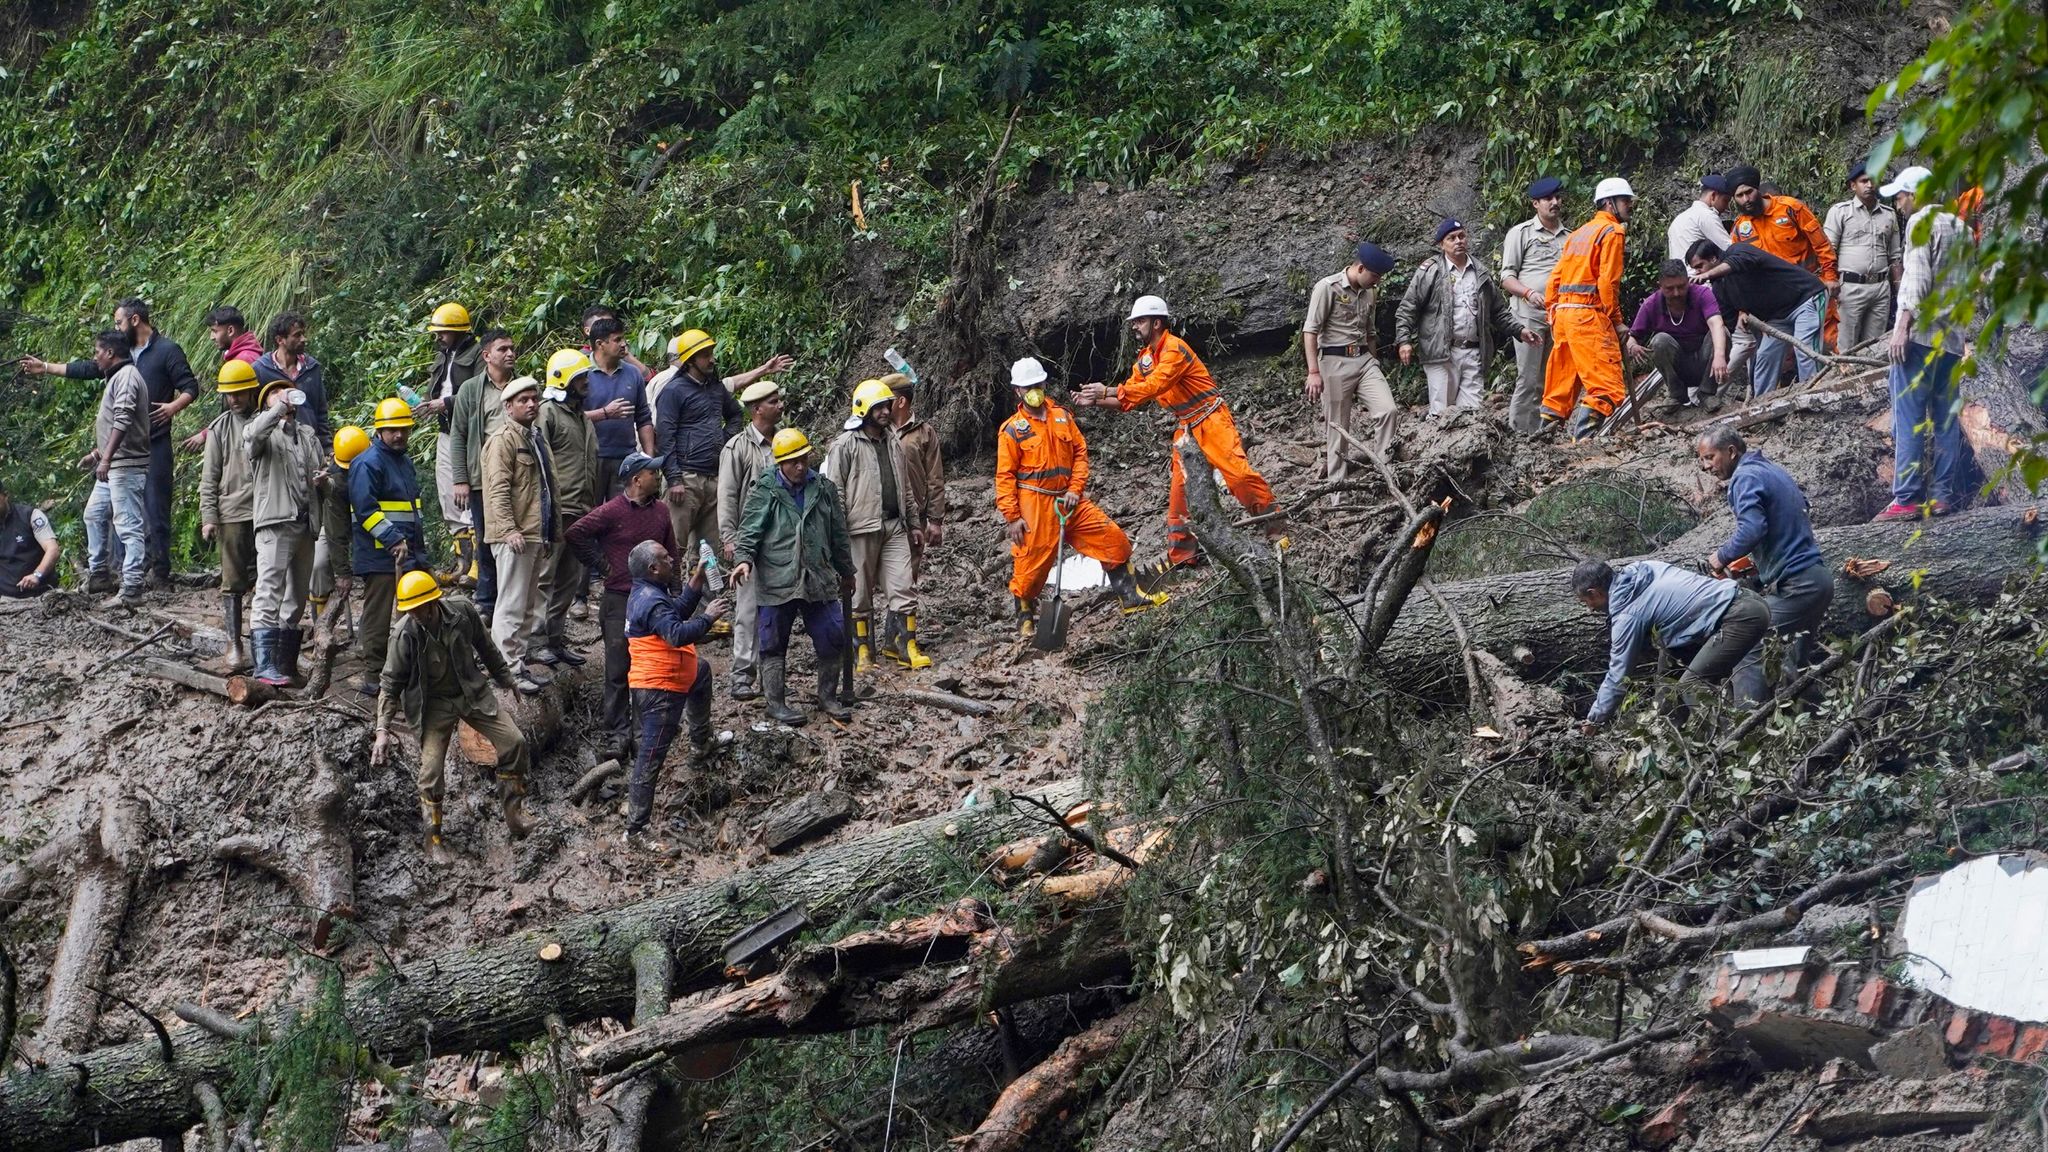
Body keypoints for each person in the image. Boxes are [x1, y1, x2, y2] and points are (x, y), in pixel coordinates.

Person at [1075, 295, 1279, 571]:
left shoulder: (1175, 349)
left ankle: (1275, 526)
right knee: (1179, 494)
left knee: (1239, 476)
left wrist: (1109, 390)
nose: (1135, 326)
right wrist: (1097, 400)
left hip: (1212, 420)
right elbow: (1130, 398)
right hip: (1186, 428)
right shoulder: (1146, 359)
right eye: (1134, 322)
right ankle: (1183, 558)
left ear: (1157, 323)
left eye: (1141, 321)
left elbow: (1156, 386)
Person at [24, 298, 199, 587]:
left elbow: (190, 386)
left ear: (134, 320)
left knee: (155, 508)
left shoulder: (166, 350)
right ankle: (121, 573)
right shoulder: (122, 356)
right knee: (116, 512)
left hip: (153, 441)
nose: (115, 326)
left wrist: (172, 407)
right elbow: (89, 368)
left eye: (118, 321)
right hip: (120, 449)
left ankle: (159, 573)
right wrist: (45, 367)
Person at [369, 570, 533, 864]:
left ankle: (515, 816)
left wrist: (506, 678)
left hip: (471, 692)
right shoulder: (404, 633)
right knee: (430, 772)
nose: (416, 614)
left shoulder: (462, 611)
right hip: (433, 706)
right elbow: (389, 683)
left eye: (420, 608)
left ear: (434, 601)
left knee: (514, 741)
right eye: (410, 610)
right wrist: (382, 729)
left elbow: (486, 646)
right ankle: (433, 839)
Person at [999, 357, 1165, 636]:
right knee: (1029, 569)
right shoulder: (1013, 430)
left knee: (1113, 540)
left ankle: (1131, 597)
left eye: (1037, 385)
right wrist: (1013, 517)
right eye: (1028, 387)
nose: (1034, 391)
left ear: (1044, 384)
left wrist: (1075, 490)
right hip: (1035, 503)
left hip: (1070, 499)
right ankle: (1025, 617)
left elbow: (1080, 454)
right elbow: (1004, 476)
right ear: (1018, 391)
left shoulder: (1063, 416)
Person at [1694, 426, 1831, 707]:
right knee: (1796, 664)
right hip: (1818, 579)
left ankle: (1746, 729)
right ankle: (1818, 723)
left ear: (1731, 451)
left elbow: (1752, 529)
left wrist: (1721, 557)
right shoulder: (1771, 470)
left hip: (1798, 585)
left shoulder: (1744, 477)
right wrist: (1758, 569)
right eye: (1703, 461)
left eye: (1710, 458)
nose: (1707, 467)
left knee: (1749, 642)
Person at [730, 429, 857, 726]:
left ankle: (827, 696)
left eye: (803, 459)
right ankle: (775, 702)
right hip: (777, 576)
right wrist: (744, 560)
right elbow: (749, 531)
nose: (800, 466)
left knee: (833, 634)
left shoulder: (823, 488)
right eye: (793, 462)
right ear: (780, 464)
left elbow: (838, 533)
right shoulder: (764, 490)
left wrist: (846, 569)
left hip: (817, 574)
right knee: (772, 640)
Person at [1572, 557, 1771, 729]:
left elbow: (1618, 675)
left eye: (1586, 602)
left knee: (1691, 684)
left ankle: (1734, 743)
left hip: (1740, 616)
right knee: (1668, 680)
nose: (1589, 609)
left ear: (1595, 592)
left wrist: (1595, 721)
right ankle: (1667, 741)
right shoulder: (1643, 569)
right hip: (1745, 602)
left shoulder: (1627, 615)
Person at [622, 540, 731, 850]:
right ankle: (636, 830)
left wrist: (696, 579)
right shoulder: (650, 601)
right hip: (661, 689)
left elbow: (676, 611)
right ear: (653, 568)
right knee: (650, 757)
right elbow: (676, 632)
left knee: (703, 672)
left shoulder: (650, 593)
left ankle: (701, 744)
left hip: (679, 675)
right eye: (665, 558)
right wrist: (708, 617)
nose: (672, 559)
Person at [566, 453, 676, 759]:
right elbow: (575, 533)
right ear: (637, 479)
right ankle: (616, 735)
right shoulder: (612, 511)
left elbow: (671, 553)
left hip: (653, 602)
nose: (658, 476)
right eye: (652, 472)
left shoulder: (662, 511)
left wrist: (676, 593)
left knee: (649, 669)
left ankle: (645, 733)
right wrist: (602, 565)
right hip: (618, 599)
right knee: (617, 670)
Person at [1876, 166, 1969, 521]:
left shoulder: (1920, 223)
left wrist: (1901, 327)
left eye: (1900, 196)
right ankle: (1944, 494)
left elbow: (1916, 279)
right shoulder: (1960, 226)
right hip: (1952, 338)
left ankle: (1908, 496)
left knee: (1909, 415)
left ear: (1914, 194)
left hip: (1922, 337)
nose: (1899, 204)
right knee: (1945, 419)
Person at [823, 376, 929, 672]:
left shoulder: (893, 440)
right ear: (863, 410)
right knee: (860, 594)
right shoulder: (845, 445)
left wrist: (915, 523)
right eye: (878, 407)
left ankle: (904, 646)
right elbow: (835, 491)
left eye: (886, 406)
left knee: (904, 587)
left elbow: (904, 484)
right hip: (860, 528)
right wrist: (838, 532)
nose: (885, 412)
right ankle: (863, 653)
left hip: (895, 526)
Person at [1396, 218, 1534, 415]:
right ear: (1441, 244)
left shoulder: (1480, 272)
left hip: (1473, 352)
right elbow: (1408, 307)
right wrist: (1403, 340)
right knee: (1441, 413)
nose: (1458, 241)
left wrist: (1519, 330)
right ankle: (1437, 446)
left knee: (1471, 415)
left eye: (1461, 236)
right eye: (1451, 238)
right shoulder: (1431, 271)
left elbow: (1498, 312)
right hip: (1441, 352)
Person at [244, 377, 326, 687]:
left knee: (296, 596)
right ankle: (263, 666)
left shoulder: (307, 436)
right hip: (275, 523)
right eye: (274, 394)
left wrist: (324, 483)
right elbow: (252, 439)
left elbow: (323, 478)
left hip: (305, 524)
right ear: (266, 403)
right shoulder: (259, 432)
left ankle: (285, 665)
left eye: (286, 391)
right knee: (269, 590)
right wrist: (276, 409)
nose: (283, 397)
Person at [1541, 178, 1636, 438]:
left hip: (1564, 316)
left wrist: (1553, 312)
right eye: (1625, 200)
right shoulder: (1612, 232)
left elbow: (1555, 279)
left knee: (1560, 387)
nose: (1630, 205)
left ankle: (1542, 445)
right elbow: (1608, 282)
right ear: (1609, 203)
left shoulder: (1578, 233)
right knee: (1607, 385)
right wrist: (1615, 320)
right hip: (1587, 316)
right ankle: (1584, 445)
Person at [482, 375, 558, 693]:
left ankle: (518, 663)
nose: (531, 404)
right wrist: (509, 528)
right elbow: (497, 489)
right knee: (512, 603)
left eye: (533, 399)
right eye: (523, 400)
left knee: (527, 604)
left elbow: (546, 488)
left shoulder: (535, 437)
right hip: (514, 536)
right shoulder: (504, 440)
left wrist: (550, 532)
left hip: (534, 532)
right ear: (508, 406)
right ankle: (506, 668)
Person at [349, 396, 428, 695]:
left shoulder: (404, 462)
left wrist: (419, 551)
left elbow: (411, 510)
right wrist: (393, 539)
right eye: (392, 430)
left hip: (408, 552)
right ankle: (374, 675)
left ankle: (406, 669)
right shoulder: (367, 463)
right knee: (378, 616)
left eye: (403, 429)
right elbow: (365, 509)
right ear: (379, 431)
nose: (399, 435)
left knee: (413, 612)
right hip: (380, 554)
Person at [1726, 164, 1837, 371]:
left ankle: (1821, 392)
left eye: (1749, 192)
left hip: (1808, 291)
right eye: (1739, 196)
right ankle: (1766, 400)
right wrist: (1743, 308)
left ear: (1757, 189)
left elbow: (1821, 244)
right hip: (1774, 303)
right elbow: (1740, 274)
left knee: (1819, 346)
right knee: (1768, 357)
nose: (1746, 199)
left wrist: (1830, 275)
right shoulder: (1740, 230)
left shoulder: (1791, 208)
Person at [1684, 239, 1827, 397]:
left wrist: (1708, 274)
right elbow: (1724, 326)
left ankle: (1815, 397)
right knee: (1765, 355)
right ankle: (1762, 403)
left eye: (1700, 267)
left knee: (1805, 350)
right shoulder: (1720, 289)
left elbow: (1738, 262)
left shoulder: (1738, 251)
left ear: (1713, 259)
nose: (1698, 273)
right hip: (1777, 317)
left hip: (1805, 298)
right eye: (1695, 270)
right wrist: (1717, 355)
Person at [1302, 241, 1399, 471]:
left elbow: (1370, 331)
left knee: (1388, 410)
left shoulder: (1369, 292)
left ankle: (1384, 472)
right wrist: (1313, 372)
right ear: (1361, 268)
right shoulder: (1327, 287)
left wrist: (1374, 359)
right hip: (1334, 363)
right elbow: (1310, 330)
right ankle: (1338, 496)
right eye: (1375, 275)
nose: (1378, 280)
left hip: (1364, 360)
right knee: (1338, 430)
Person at [716, 380, 785, 700]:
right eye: (774, 402)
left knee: (781, 609)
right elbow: (727, 495)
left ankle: (774, 676)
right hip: (750, 541)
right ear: (758, 409)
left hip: (785, 540)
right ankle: (742, 674)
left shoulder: (786, 442)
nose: (780, 405)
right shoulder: (738, 448)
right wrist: (730, 538)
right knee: (747, 610)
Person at [655, 327, 741, 567]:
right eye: (705, 354)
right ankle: (667, 598)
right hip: (685, 478)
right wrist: (673, 478)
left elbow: (735, 415)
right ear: (690, 360)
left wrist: (724, 440)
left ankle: (705, 600)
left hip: (714, 478)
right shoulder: (673, 391)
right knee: (673, 547)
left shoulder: (715, 387)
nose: (712, 358)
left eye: (712, 352)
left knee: (708, 552)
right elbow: (665, 436)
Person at [448, 330, 517, 620]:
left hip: (519, 477)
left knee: (518, 537)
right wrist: (461, 479)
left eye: (512, 349)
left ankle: (513, 600)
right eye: (503, 349)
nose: (510, 354)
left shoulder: (522, 387)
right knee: (487, 539)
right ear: (487, 355)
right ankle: (488, 602)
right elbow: (458, 435)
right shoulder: (471, 390)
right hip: (483, 478)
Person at [537, 349, 600, 667]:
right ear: (565, 381)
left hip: (581, 512)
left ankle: (555, 639)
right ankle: (535, 643)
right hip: (557, 511)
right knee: (544, 578)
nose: (586, 382)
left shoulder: (581, 416)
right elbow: (537, 466)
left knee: (568, 580)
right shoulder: (547, 413)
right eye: (581, 377)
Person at [80, 330, 152, 608]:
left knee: (128, 525)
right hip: (114, 463)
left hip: (125, 466)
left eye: (97, 350)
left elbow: (123, 419)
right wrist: (98, 454)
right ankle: (99, 574)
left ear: (110, 353)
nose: (94, 356)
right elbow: (122, 425)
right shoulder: (118, 377)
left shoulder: (127, 377)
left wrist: (107, 459)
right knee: (93, 514)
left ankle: (132, 587)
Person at [200, 361, 262, 669]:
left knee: (267, 578)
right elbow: (209, 477)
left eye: (239, 393)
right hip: (233, 512)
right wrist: (209, 517)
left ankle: (265, 641)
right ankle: (234, 641)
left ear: (251, 390)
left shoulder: (267, 419)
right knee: (233, 580)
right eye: (229, 394)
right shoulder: (220, 428)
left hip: (266, 511)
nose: (234, 399)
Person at [1499, 180, 1569, 434]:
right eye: (1548, 198)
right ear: (1535, 203)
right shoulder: (1521, 233)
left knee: (1550, 378)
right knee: (1528, 378)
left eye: (1557, 197)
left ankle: (1542, 432)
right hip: (1528, 315)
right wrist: (1529, 293)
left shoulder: (1569, 237)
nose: (1554, 202)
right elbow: (1507, 277)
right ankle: (1518, 433)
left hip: (1559, 316)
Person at [1626, 260, 1731, 412]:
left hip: (1705, 361)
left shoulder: (1702, 294)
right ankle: (1677, 395)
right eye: (1670, 289)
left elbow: (1716, 323)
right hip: (1678, 366)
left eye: (1681, 287)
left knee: (1723, 333)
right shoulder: (1651, 304)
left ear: (1688, 281)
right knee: (1659, 341)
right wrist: (1633, 346)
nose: (1676, 293)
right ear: (1660, 286)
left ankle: (1707, 393)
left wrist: (1720, 356)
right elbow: (1632, 337)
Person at [1824, 160, 1904, 354]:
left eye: (1873, 181)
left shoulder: (1889, 214)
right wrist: (1830, 283)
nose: (1870, 185)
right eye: (1864, 181)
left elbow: (1895, 256)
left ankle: (1870, 382)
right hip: (1850, 288)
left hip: (1880, 288)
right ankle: (1842, 381)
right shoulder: (1840, 212)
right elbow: (1827, 251)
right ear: (1853, 185)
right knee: (1845, 346)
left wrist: (1900, 289)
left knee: (1875, 347)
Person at [421, 304, 483, 553]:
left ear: (458, 330)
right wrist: (426, 404)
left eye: (443, 331)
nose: (438, 337)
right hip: (445, 431)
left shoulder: (479, 354)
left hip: (470, 433)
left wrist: (445, 403)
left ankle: (479, 563)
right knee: (449, 496)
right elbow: (436, 387)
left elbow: (480, 391)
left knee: (471, 495)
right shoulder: (442, 355)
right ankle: (462, 560)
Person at [584, 316, 656, 505]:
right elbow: (570, 418)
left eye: (623, 339)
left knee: (624, 513)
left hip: (625, 457)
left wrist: (648, 457)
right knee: (591, 512)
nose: (624, 344)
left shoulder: (633, 373)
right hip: (591, 458)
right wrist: (605, 413)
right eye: (617, 340)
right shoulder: (582, 372)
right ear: (600, 344)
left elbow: (643, 418)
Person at [310, 426, 369, 646]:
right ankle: (321, 627)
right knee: (318, 565)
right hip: (338, 524)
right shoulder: (335, 480)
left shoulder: (377, 465)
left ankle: (368, 632)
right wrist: (343, 572)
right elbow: (336, 532)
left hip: (370, 526)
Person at [253, 311, 331, 451]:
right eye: (297, 335)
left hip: (310, 445)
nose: (303, 339)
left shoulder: (311, 368)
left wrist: (326, 447)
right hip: (277, 449)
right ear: (280, 340)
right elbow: (253, 414)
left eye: (302, 334)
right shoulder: (261, 370)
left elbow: (321, 411)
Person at [893, 375, 945, 579]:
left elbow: (935, 478)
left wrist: (935, 521)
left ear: (901, 401)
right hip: (882, 516)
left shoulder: (924, 433)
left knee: (909, 574)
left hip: (915, 516)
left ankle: (905, 612)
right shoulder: (877, 430)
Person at [0, 477, 60, 598]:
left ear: (6, 496)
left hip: (41, 594)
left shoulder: (30, 515)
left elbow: (53, 549)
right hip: (6, 600)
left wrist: (37, 575)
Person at [1668, 173, 1734, 261]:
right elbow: (1729, 248)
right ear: (1713, 196)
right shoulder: (1706, 215)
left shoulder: (1679, 218)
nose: (1726, 207)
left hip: (1678, 273)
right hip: (1697, 272)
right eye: (1725, 201)